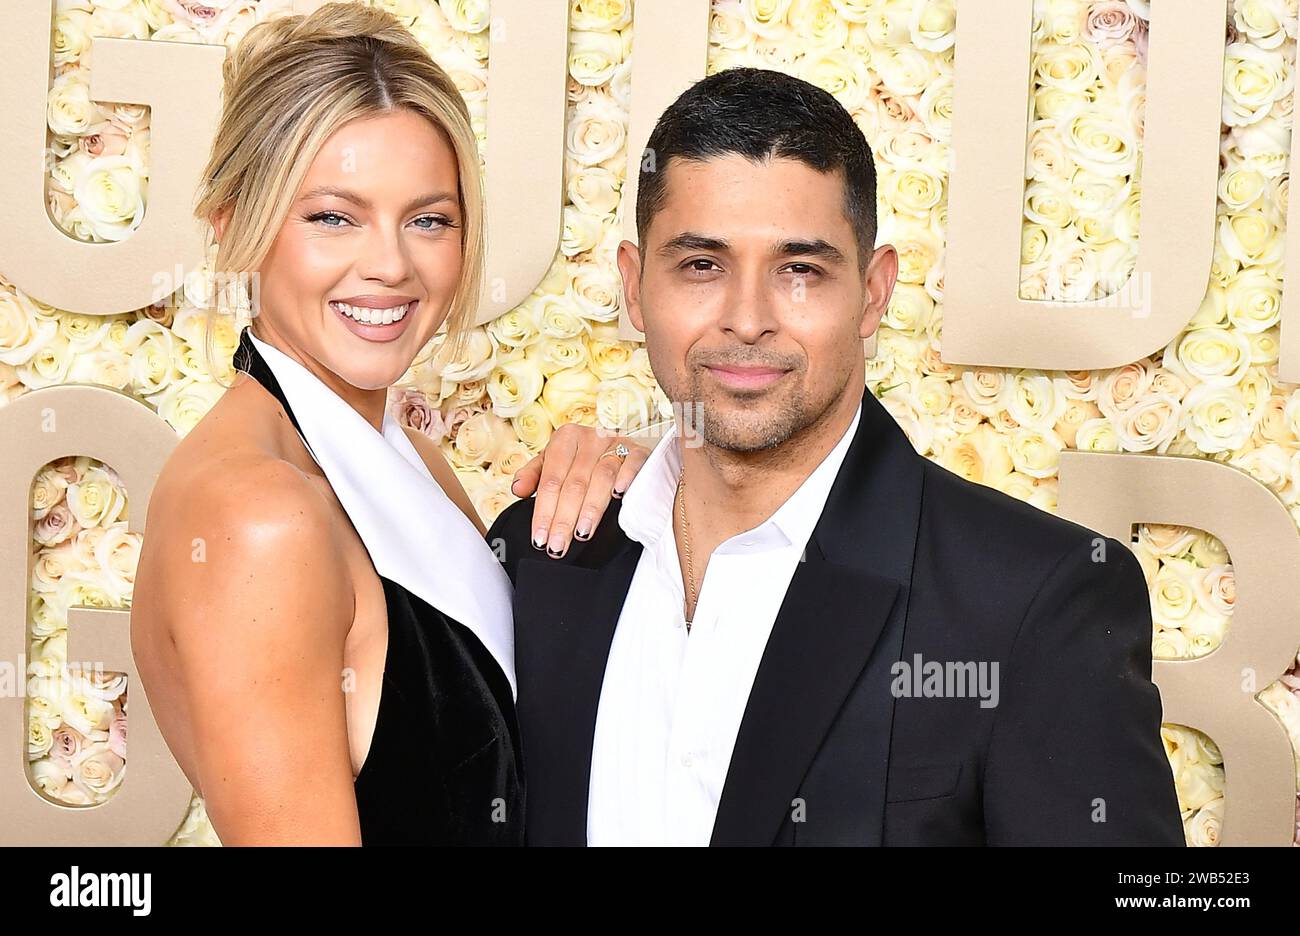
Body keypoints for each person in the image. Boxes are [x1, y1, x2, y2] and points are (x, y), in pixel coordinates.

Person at [487, 67, 1186, 846]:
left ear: (875, 292)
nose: (747, 320)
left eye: (800, 270)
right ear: (632, 284)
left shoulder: (1032, 602)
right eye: (701, 265)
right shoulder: (538, 557)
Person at [131, 3, 647, 846]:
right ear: (234, 229)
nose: (390, 265)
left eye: (428, 219)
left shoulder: (395, 454)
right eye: (334, 215)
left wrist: (633, 489)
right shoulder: (257, 517)